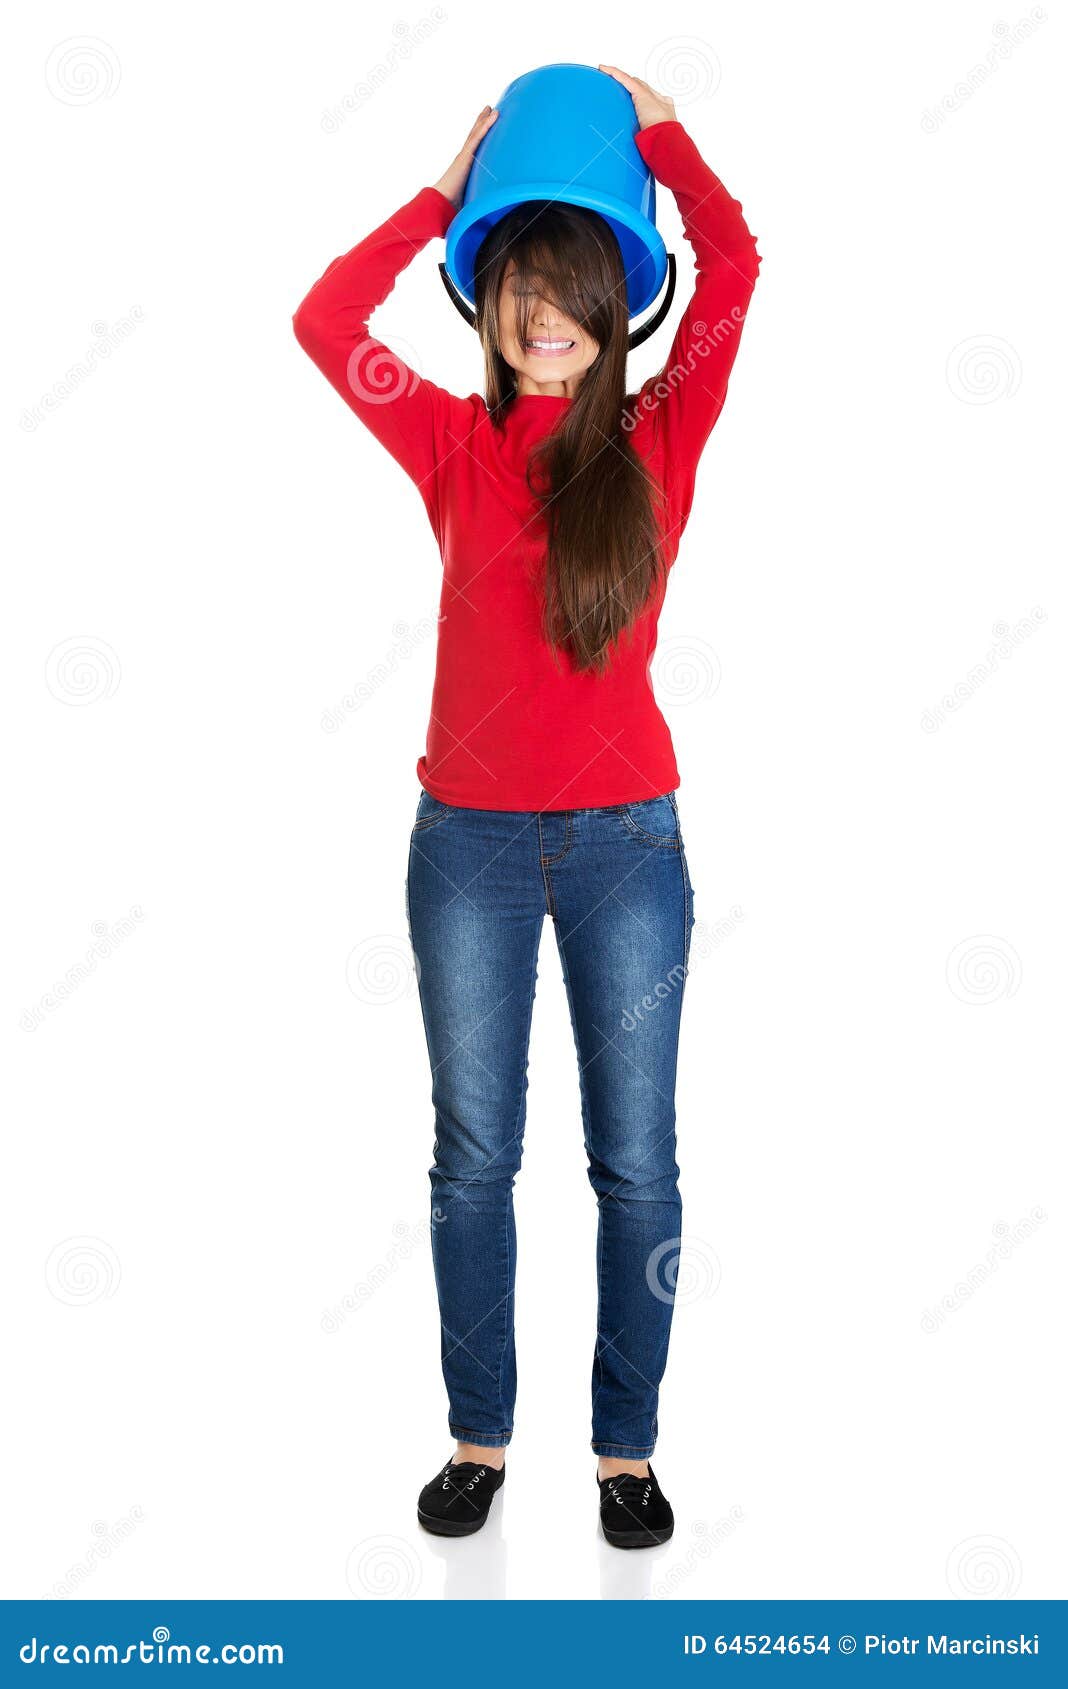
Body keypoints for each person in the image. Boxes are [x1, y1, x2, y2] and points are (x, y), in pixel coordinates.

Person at [292, 63, 761, 1549]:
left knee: (636, 1159)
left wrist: (663, 125)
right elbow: (322, 323)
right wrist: (447, 191)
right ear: (484, 301)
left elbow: (736, 263)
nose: (544, 317)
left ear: (612, 304)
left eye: (569, 290)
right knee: (473, 1158)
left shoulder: (661, 440)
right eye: (516, 288)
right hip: (468, 854)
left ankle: (626, 1449)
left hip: (631, 847)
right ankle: (478, 1438)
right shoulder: (448, 444)